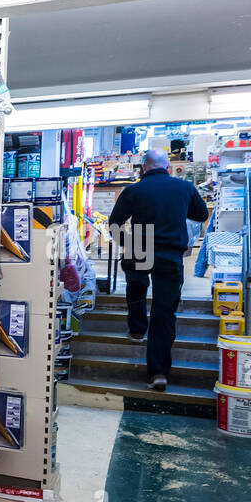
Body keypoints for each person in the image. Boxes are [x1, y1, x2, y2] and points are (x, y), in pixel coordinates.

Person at [107, 148, 209, 390]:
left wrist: (127, 243)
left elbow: (114, 225)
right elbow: (202, 214)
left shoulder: (133, 189)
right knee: (164, 314)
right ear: (167, 166)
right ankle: (158, 374)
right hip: (170, 253)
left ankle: (136, 329)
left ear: (144, 167)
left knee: (136, 285)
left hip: (140, 246)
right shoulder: (184, 188)